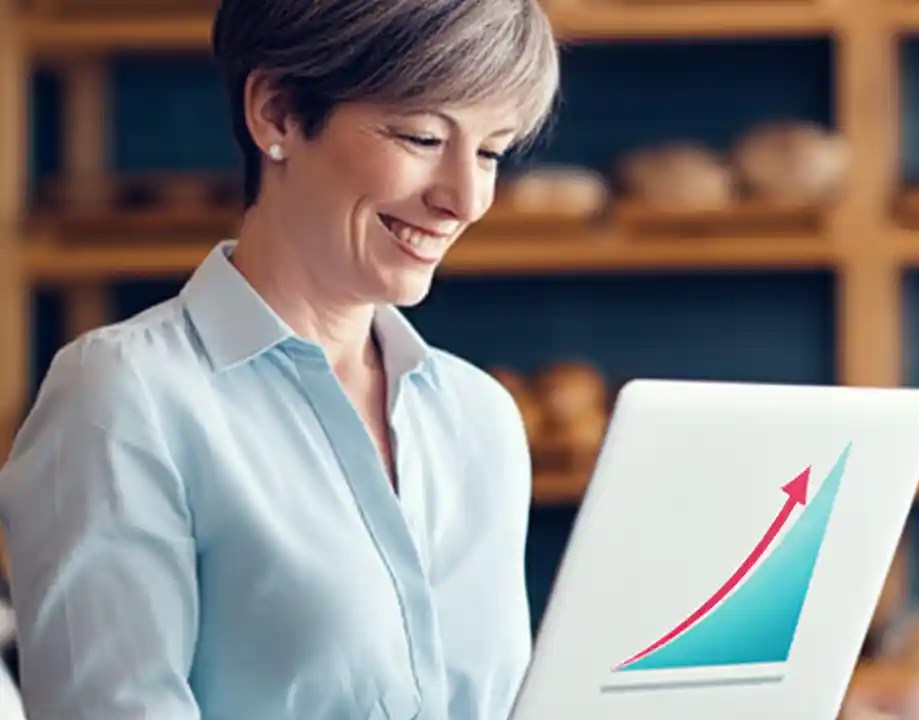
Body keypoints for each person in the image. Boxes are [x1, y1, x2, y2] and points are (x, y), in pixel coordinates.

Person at [0, 0, 559, 716]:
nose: (465, 198)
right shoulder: (122, 399)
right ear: (278, 112)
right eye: (422, 137)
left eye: (490, 152)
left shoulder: (479, 418)